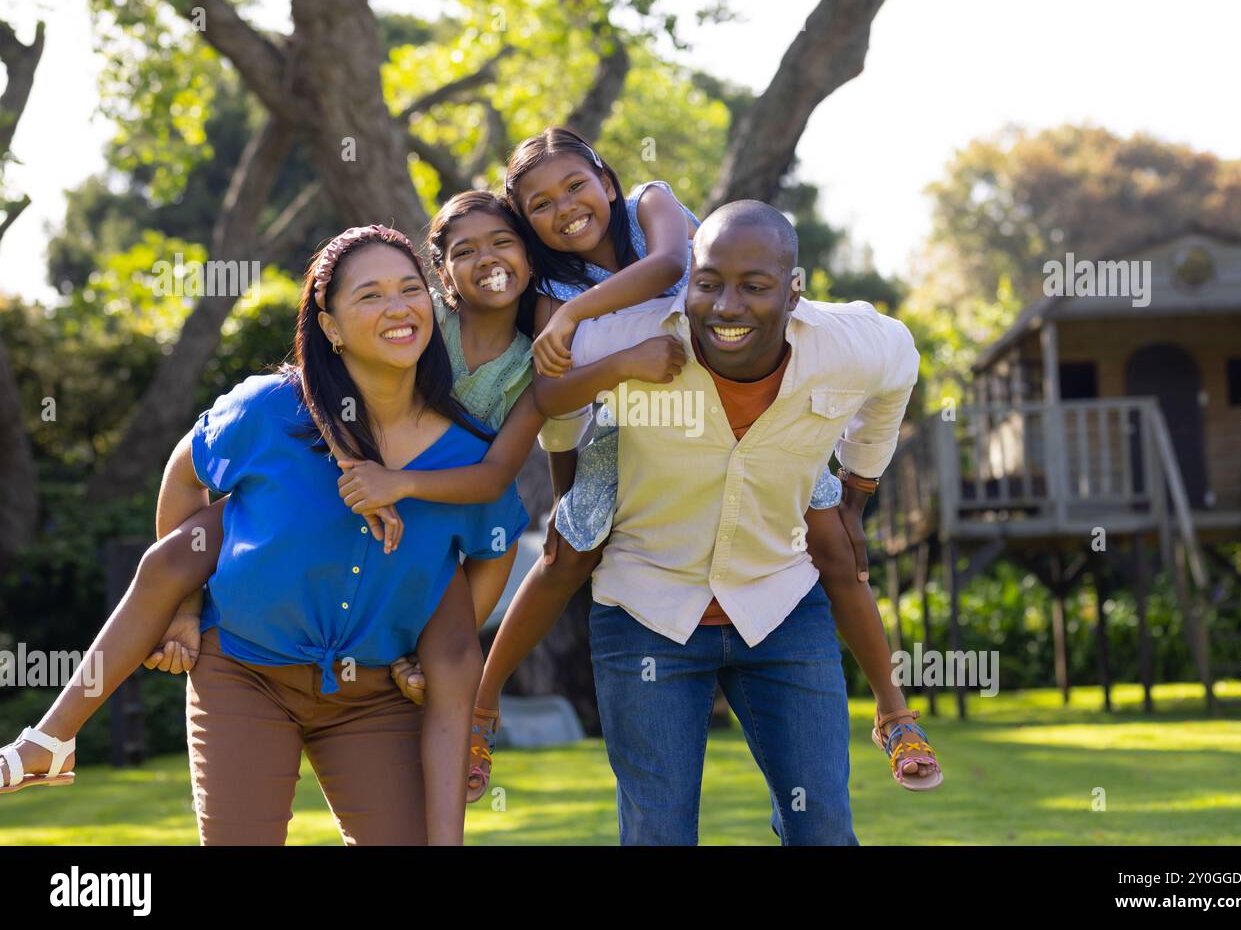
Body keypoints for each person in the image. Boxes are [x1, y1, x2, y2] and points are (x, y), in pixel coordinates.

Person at [0, 225, 528, 846]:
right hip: (243, 673)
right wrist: (185, 612)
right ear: (329, 325)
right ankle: (51, 739)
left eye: (410, 289)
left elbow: (496, 546)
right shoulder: (269, 411)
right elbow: (184, 474)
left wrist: (432, 637)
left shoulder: (465, 453)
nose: (397, 308)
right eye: (370, 295)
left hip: (375, 695)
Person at [542, 200, 927, 844]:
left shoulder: (852, 345)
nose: (727, 306)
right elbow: (553, 392)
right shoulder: (624, 337)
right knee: (658, 832)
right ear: (689, 275)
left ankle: (896, 716)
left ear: (794, 290)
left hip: (780, 603)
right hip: (648, 610)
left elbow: (902, 367)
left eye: (755, 286)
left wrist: (857, 490)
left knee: (823, 828)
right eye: (710, 281)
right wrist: (567, 486)